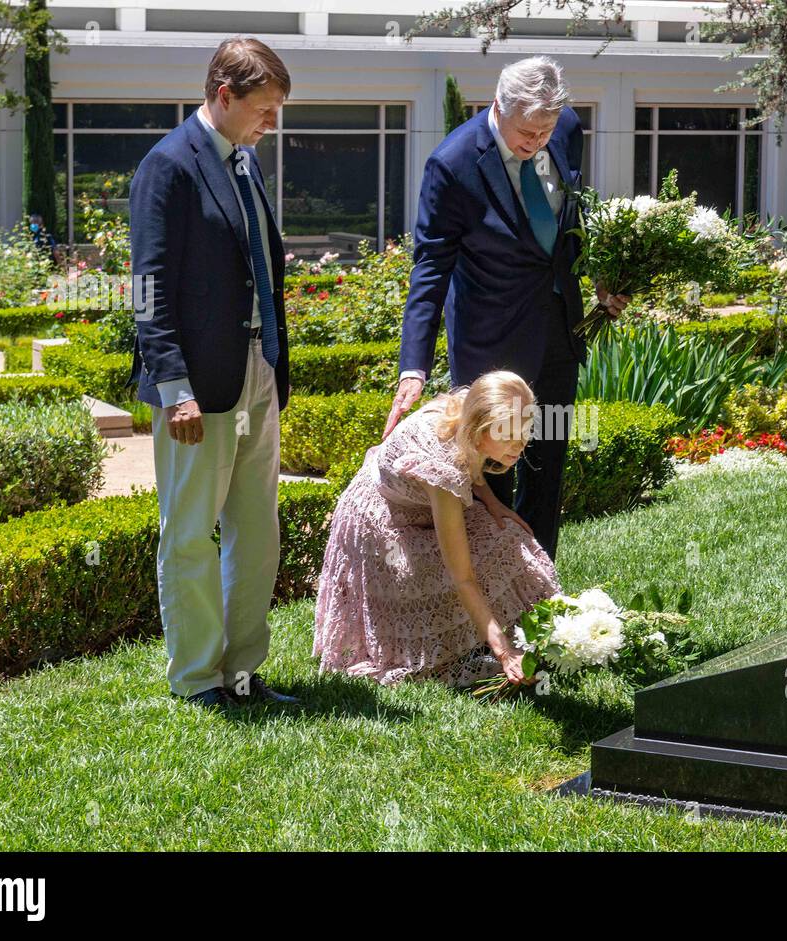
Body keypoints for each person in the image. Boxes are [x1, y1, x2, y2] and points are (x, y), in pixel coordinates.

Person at [387, 55, 630, 562]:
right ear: (499, 106)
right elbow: (430, 266)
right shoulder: (451, 165)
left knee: (548, 462)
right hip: (491, 346)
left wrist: (601, 277)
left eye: (545, 131)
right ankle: (488, 606)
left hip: (558, 334)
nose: (537, 141)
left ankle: (540, 593)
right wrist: (414, 364)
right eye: (526, 131)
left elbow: (567, 220)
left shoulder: (565, 128)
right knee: (493, 478)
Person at [128, 37, 296, 709]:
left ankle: (243, 674)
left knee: (257, 534)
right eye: (266, 108)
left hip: (256, 372)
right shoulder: (167, 166)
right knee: (193, 535)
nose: (273, 123)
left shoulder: (246, 163)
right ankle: (198, 679)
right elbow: (148, 288)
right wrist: (176, 390)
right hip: (196, 386)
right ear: (224, 96)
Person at [314, 370, 560, 688]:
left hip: (422, 497)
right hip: (378, 515)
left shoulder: (468, 408)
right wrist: (504, 655)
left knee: (506, 534)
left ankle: (545, 634)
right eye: (510, 435)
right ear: (480, 427)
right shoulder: (444, 472)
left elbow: (470, 456)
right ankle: (479, 645)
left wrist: (492, 502)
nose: (521, 445)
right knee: (438, 578)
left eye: (525, 431)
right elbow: (463, 577)